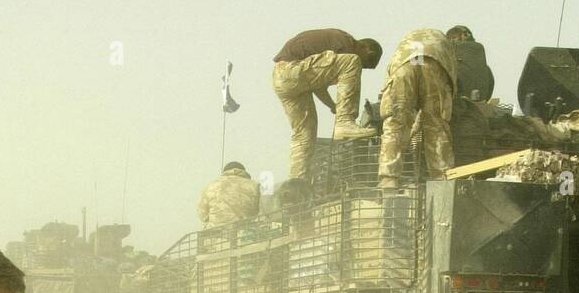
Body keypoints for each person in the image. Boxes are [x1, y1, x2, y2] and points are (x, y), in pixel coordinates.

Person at [272, 28, 382, 182]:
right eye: (366, 64)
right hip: (292, 68)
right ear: (367, 50)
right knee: (351, 62)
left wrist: (333, 105)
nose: (361, 69)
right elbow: (324, 73)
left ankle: (297, 183)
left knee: (304, 134)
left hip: (283, 78)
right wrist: (343, 115)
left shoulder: (333, 47)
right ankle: (345, 122)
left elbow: (316, 82)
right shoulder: (347, 42)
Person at [378, 28, 459, 189]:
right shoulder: (447, 48)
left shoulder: (409, 40)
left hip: (404, 64)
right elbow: (447, 89)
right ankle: (442, 180)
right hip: (435, 63)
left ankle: (389, 179)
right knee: (437, 127)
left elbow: (395, 101)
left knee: (394, 125)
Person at [197, 161, 261, 227]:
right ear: (244, 172)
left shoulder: (210, 187)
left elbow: (203, 216)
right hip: (244, 233)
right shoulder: (255, 186)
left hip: (215, 233)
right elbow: (262, 211)